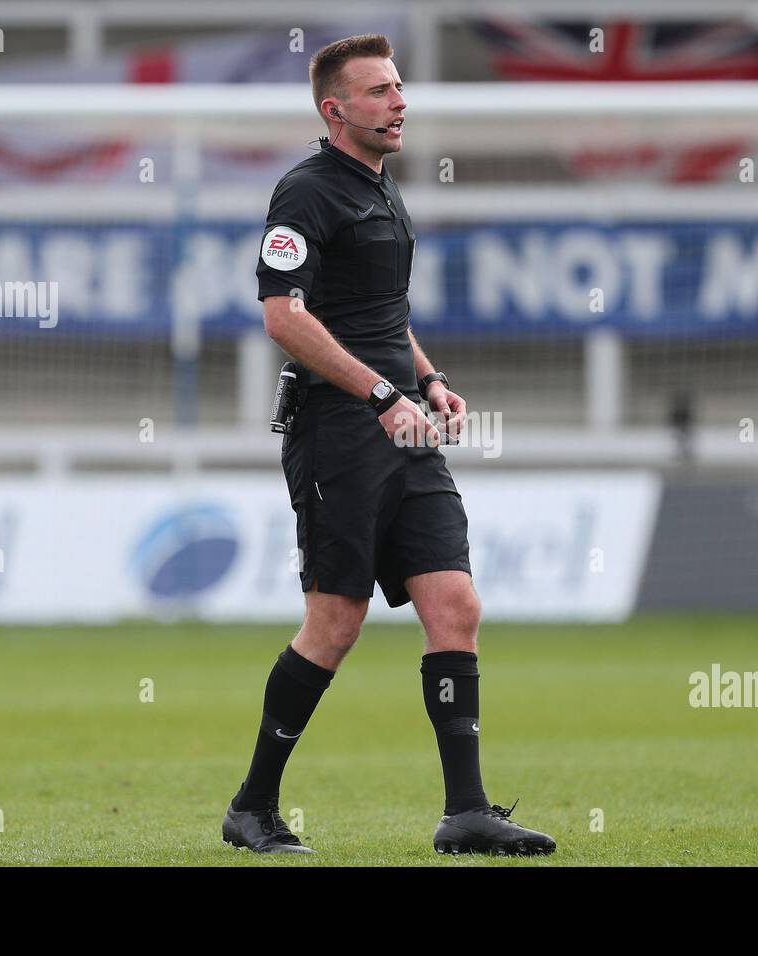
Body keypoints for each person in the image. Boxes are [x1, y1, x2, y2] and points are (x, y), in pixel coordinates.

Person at [222, 33, 555, 857]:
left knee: (456, 605)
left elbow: (379, 314)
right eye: (379, 91)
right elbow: (284, 316)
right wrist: (376, 394)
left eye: (399, 87)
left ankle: (466, 812)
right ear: (336, 111)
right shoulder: (305, 192)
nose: (399, 101)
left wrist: (429, 378)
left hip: (402, 421)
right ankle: (252, 807)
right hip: (338, 429)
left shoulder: (382, 188)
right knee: (335, 624)